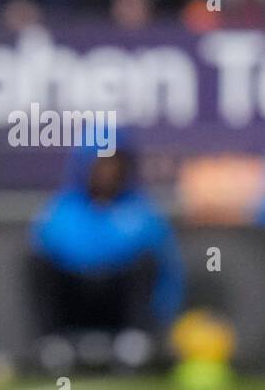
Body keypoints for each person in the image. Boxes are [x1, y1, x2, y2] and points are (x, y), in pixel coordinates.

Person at [28, 135, 182, 373]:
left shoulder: (142, 211)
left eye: (113, 163)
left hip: (120, 303)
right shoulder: (61, 209)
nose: (107, 171)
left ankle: (134, 342)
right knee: (39, 261)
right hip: (75, 300)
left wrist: (161, 320)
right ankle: (54, 344)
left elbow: (167, 271)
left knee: (145, 262)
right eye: (100, 163)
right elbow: (48, 250)